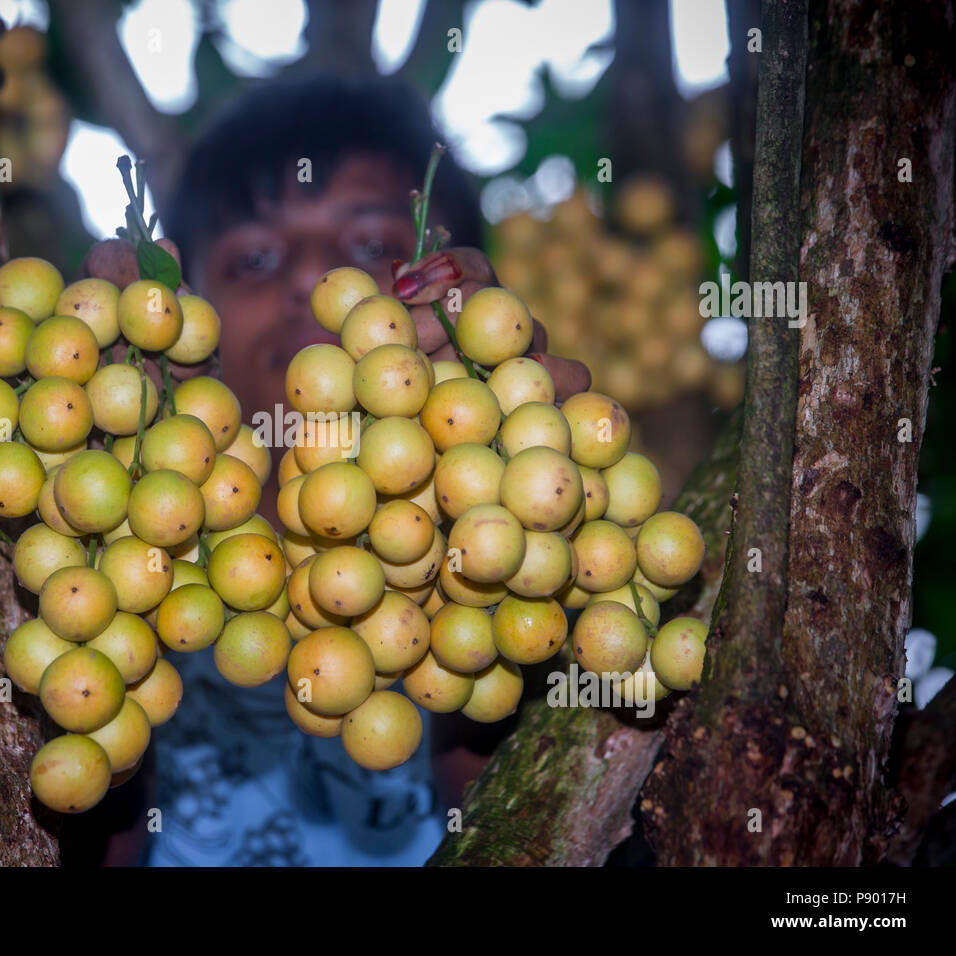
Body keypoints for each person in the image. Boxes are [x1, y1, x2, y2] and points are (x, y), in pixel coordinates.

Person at [81, 74, 589, 866]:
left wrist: (514, 530)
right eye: (254, 256)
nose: (308, 279)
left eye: (366, 246)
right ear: (186, 316)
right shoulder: (130, 556)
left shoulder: (483, 533)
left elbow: (549, 828)